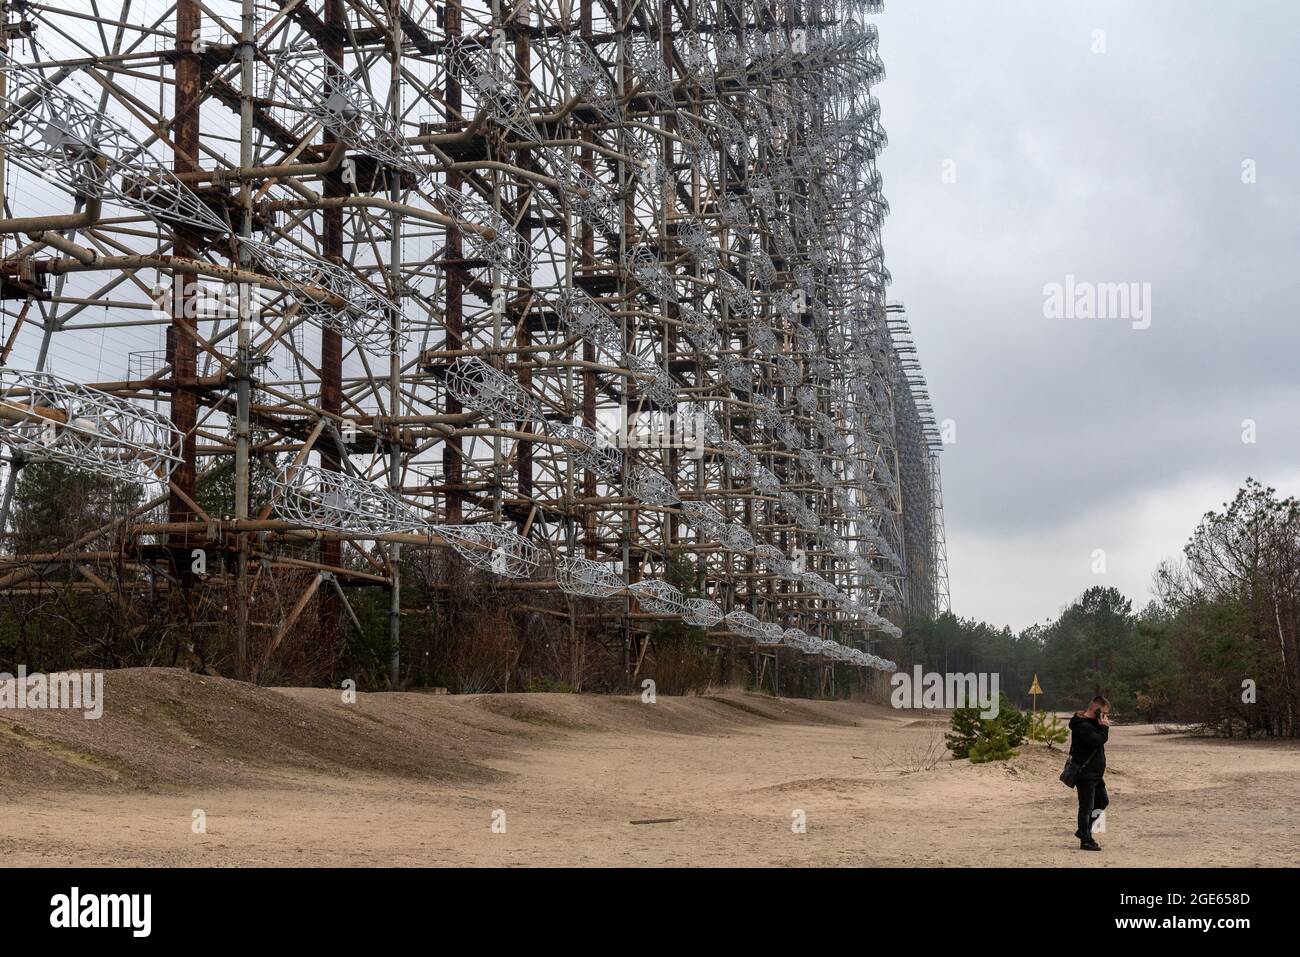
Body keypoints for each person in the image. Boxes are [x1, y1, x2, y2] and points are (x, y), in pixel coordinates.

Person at [1068, 695, 1110, 851]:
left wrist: (1101, 726)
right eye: (1104, 713)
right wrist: (1104, 727)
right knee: (1086, 807)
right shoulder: (1082, 725)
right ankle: (1086, 840)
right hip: (1085, 773)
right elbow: (1097, 741)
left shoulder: (1091, 724)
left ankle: (1083, 830)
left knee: (1102, 802)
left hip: (1095, 773)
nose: (1106, 717)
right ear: (1096, 709)